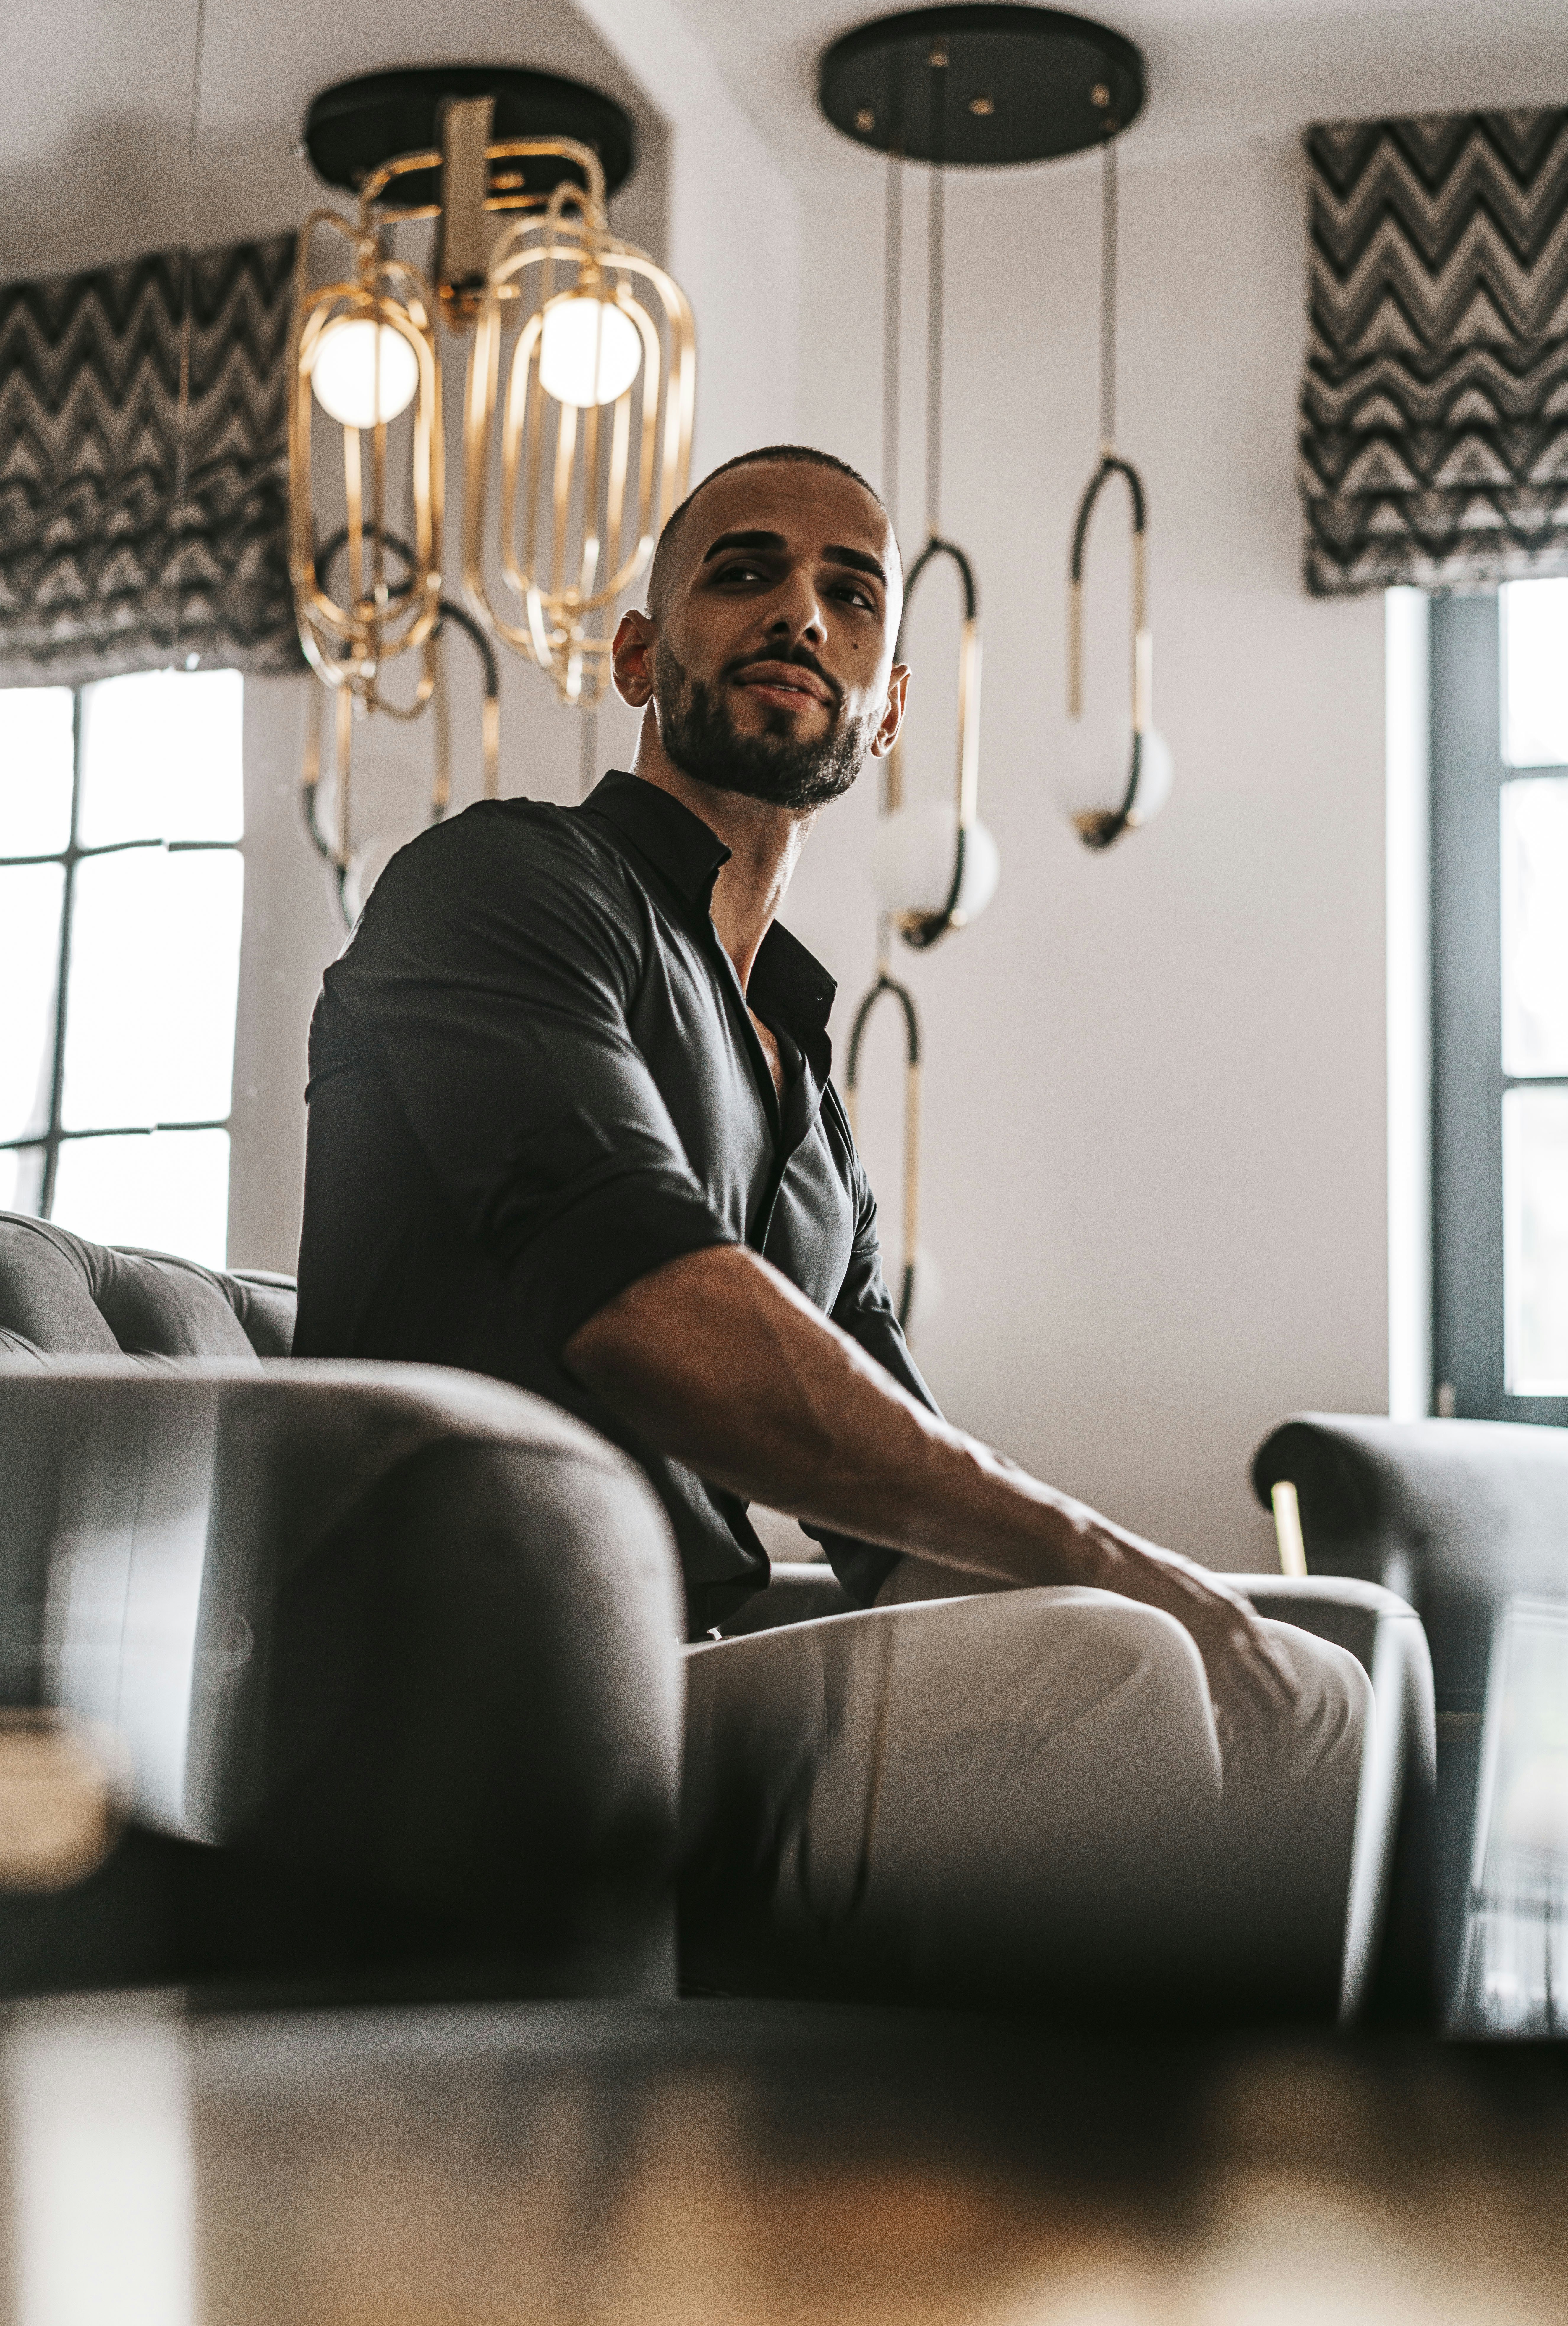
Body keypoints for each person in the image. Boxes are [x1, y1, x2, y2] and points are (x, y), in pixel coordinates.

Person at [294, 444, 1370, 2018]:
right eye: (744, 573)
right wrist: (1145, 1587)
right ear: (641, 656)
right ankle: (1098, 2195)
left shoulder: (806, 1074)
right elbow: (651, 1314)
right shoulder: (502, 885)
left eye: (849, 595)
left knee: (1333, 1668)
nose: (800, 610)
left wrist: (1203, 1606)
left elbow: (893, 1523)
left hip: (698, 1675)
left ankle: (1264, 2201)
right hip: (481, 1693)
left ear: (888, 705)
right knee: (1127, 1659)